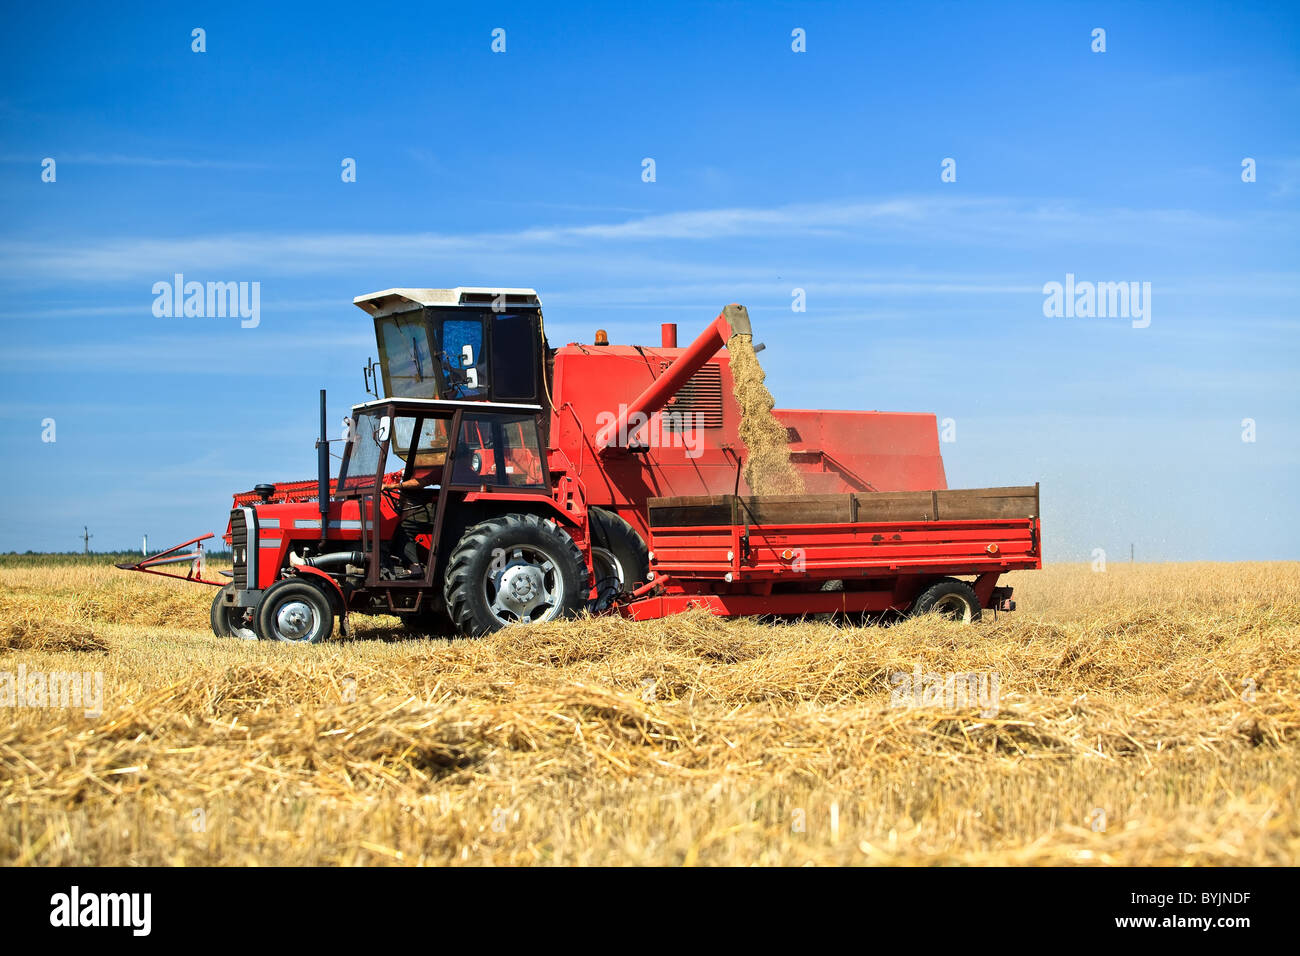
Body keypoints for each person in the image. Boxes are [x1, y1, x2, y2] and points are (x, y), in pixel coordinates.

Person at [383, 468, 439, 578]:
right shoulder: (465, 469)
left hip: (447, 508)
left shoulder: (447, 469)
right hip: (453, 504)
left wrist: (392, 486)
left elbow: (421, 482)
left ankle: (415, 567)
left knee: (405, 526)